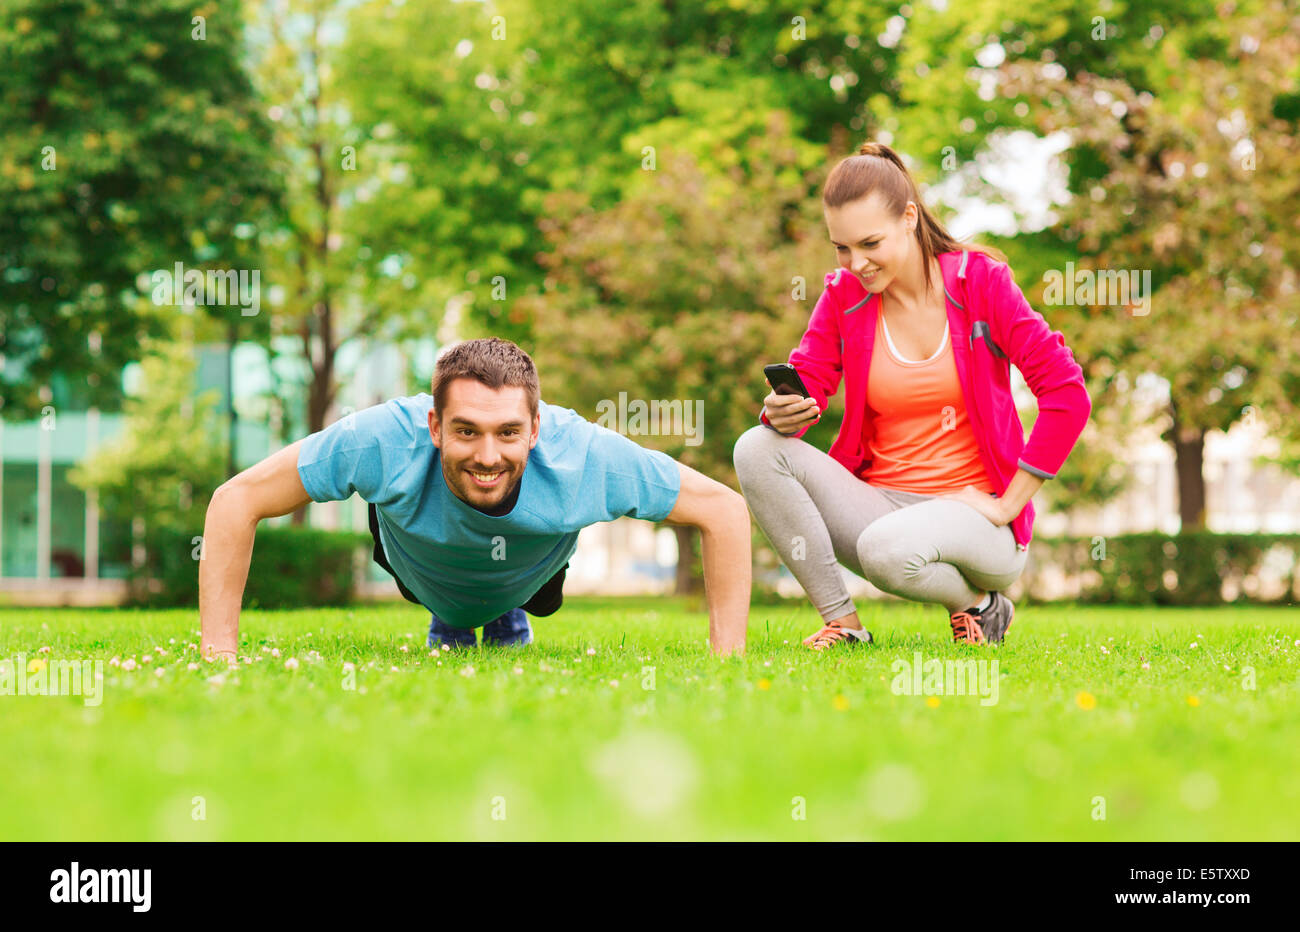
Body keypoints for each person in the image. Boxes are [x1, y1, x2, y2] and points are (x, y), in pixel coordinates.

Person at [733, 141, 1091, 649]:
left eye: (869, 244)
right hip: (880, 507)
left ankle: (982, 603)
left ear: (908, 217)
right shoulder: (843, 296)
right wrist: (783, 410)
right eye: (841, 248)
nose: (855, 263)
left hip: (978, 518)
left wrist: (1010, 504)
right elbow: (810, 377)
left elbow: (1066, 394)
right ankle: (846, 624)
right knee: (755, 447)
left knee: (883, 548)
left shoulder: (981, 283)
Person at [199, 338, 750, 659]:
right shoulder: (380, 439)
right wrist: (219, 655)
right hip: (419, 561)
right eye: (466, 432)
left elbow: (723, 510)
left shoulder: (585, 454)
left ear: (536, 428)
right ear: (434, 425)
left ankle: (504, 609)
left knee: (518, 551)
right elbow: (235, 500)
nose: (488, 455)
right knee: (427, 536)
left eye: (508, 433)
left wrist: (727, 663)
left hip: (532, 569)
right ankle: (451, 613)